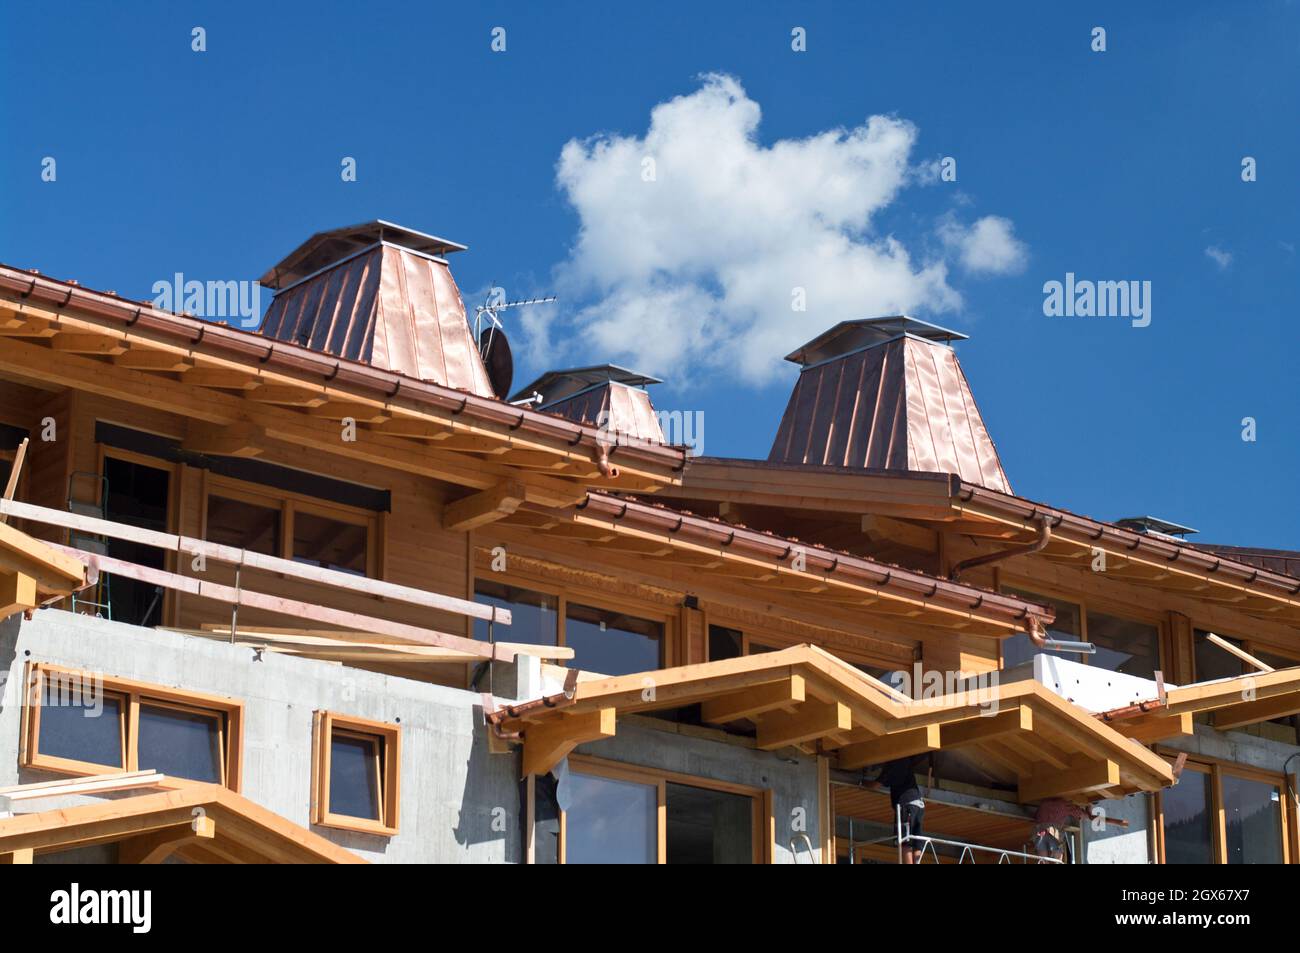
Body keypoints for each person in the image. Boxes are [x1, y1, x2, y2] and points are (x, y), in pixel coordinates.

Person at [878, 754, 927, 864]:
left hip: (907, 805)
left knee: (905, 840)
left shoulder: (893, 763)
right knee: (916, 840)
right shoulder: (905, 761)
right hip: (919, 804)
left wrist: (861, 783)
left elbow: (876, 784)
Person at [1032, 797, 1096, 862]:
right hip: (1053, 830)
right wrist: (1089, 808)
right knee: (1057, 856)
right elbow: (1081, 814)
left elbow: (1035, 816)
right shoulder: (1064, 804)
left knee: (1043, 857)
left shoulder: (1044, 803)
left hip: (1040, 829)